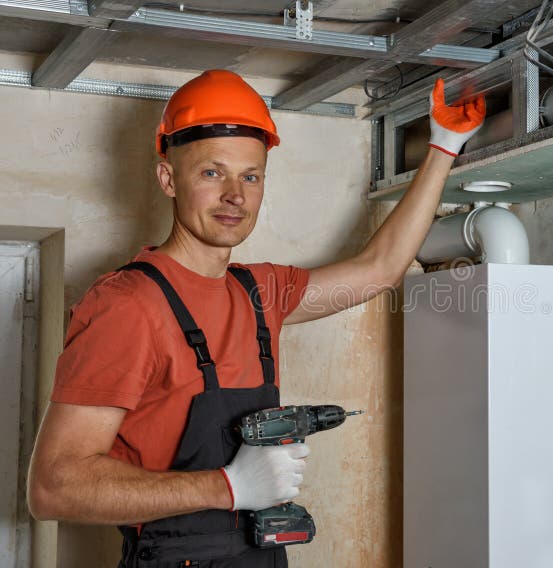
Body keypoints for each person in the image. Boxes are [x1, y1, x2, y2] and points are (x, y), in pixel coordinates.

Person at [27, 69, 485, 566]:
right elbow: (54, 487)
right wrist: (228, 486)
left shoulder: (259, 292)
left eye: (251, 176)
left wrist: (444, 146)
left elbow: (380, 269)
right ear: (168, 179)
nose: (235, 196)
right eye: (212, 172)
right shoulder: (129, 305)